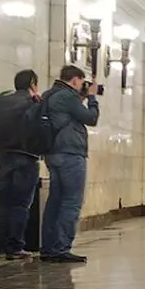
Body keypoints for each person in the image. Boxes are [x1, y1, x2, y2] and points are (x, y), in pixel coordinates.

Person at [39, 65, 100, 263]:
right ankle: (61, 247)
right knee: (72, 201)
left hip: (53, 153)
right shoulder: (67, 96)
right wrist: (91, 97)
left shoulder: (50, 94)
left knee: (55, 201)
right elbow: (91, 118)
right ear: (75, 80)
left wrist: (80, 99)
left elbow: (68, 115)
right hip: (70, 153)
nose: (83, 86)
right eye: (82, 83)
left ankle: (48, 247)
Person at [0, 69, 42, 260]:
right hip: (26, 158)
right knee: (21, 204)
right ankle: (15, 246)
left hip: (3, 156)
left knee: (5, 202)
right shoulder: (33, 103)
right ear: (33, 83)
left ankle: (0, 245)